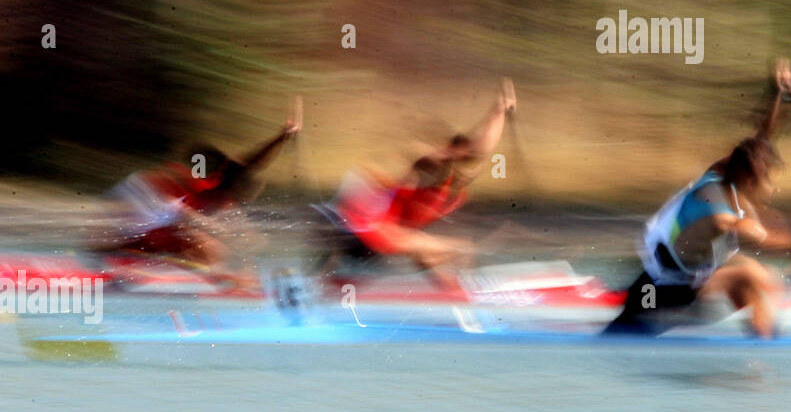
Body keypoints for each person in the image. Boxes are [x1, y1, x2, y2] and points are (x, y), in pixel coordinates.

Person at [605, 60, 791, 338]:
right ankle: (765, 353)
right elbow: (776, 241)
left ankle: (766, 338)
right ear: (752, 179)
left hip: (674, 281)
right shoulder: (720, 217)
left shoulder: (725, 173)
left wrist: (777, 94)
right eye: (771, 182)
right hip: (660, 297)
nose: (775, 190)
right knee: (754, 278)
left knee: (765, 278)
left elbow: (761, 140)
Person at [316, 79, 516, 287]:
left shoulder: (452, 190)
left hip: (375, 238)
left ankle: (324, 287)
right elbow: (478, 150)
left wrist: (446, 286)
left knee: (439, 253)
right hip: (372, 231)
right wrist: (498, 111)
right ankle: (476, 294)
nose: (471, 170)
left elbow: (420, 254)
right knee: (462, 249)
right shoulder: (430, 167)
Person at [94, 100, 303, 277]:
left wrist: (248, 253)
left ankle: (103, 257)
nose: (236, 204)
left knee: (190, 243)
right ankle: (110, 258)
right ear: (236, 190)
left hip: (140, 195)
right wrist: (281, 137)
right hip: (152, 197)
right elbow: (251, 162)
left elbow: (238, 234)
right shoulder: (219, 185)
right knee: (205, 248)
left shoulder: (223, 197)